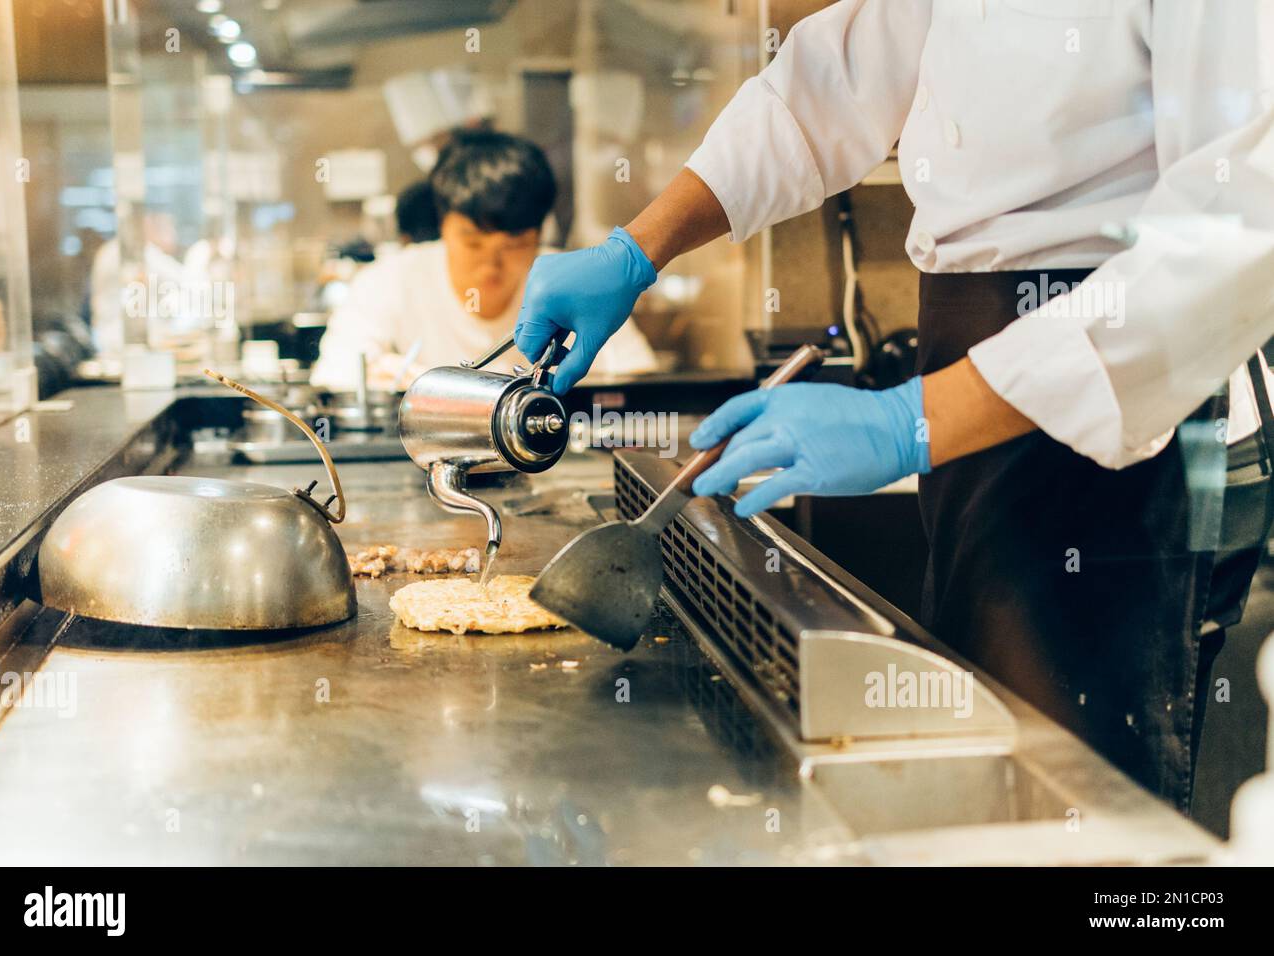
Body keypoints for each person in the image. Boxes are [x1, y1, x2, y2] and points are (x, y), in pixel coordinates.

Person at [515, 1, 1274, 813]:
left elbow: (1238, 233)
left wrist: (907, 421)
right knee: (994, 758)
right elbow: (831, 84)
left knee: (1072, 791)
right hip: (968, 353)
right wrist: (638, 248)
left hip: (1119, 399)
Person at [310, 130, 656, 391]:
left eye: (514, 245)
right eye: (473, 242)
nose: (491, 265)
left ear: (540, 234)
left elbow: (641, 381)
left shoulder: (570, 283)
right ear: (443, 225)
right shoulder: (390, 279)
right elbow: (334, 378)